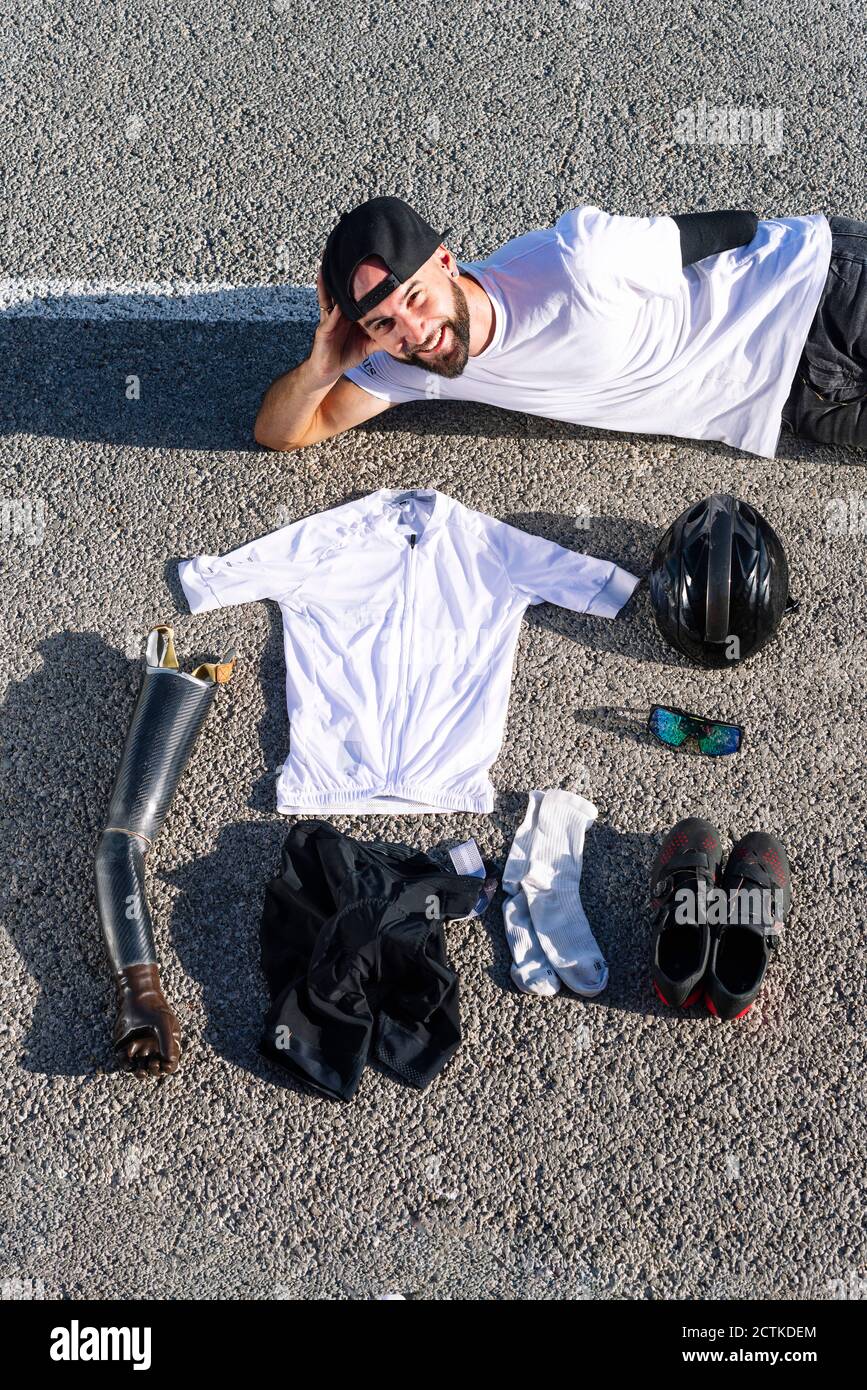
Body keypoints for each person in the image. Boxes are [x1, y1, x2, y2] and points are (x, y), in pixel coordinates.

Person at [254, 196, 866, 459]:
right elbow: (283, 434)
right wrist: (322, 368)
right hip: (795, 403)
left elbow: (731, 227)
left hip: (822, 294)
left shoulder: (576, 261)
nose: (415, 330)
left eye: (416, 297)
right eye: (384, 323)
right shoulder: (411, 368)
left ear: (446, 261)